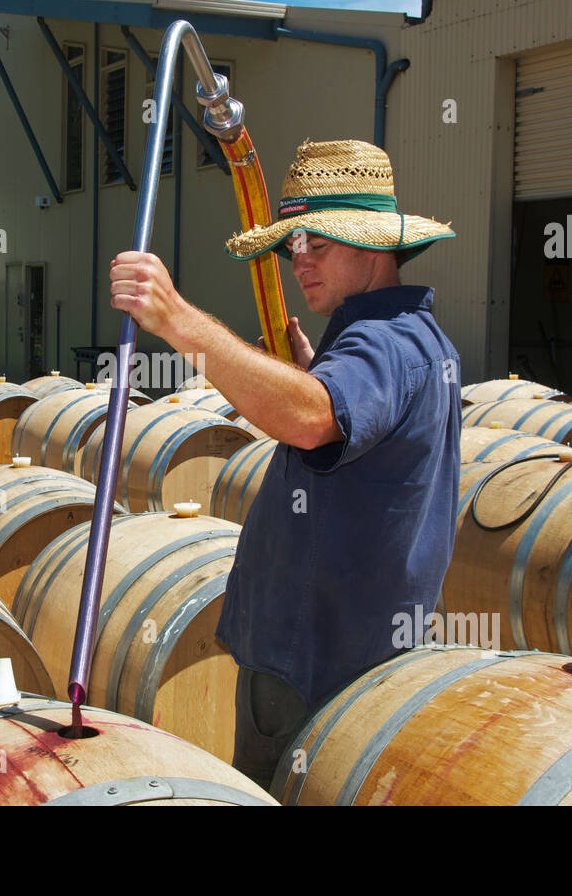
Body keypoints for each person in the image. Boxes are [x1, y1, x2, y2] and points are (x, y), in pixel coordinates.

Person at [109, 138, 461, 789]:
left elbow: (311, 417)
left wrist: (180, 322)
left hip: (319, 666)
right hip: (346, 657)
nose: (298, 261)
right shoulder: (411, 339)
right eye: (292, 246)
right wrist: (311, 374)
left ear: (374, 245)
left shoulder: (385, 342)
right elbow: (340, 425)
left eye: (316, 244)